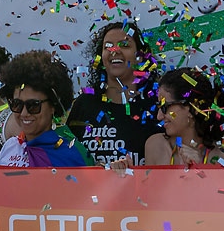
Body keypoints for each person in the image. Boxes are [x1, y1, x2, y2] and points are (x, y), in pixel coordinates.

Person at [66, 22, 158, 167]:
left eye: (124, 45)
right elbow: (68, 158)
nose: (114, 51)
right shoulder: (84, 103)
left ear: (140, 56)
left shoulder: (155, 105)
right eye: (108, 46)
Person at [0, 51, 88, 167]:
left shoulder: (72, 155)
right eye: (17, 104)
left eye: (33, 105)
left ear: (53, 106)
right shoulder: (10, 146)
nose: (24, 113)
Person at [145, 68, 224, 166]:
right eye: (159, 107)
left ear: (194, 107)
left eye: (165, 107)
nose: (159, 117)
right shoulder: (156, 146)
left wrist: (200, 169)